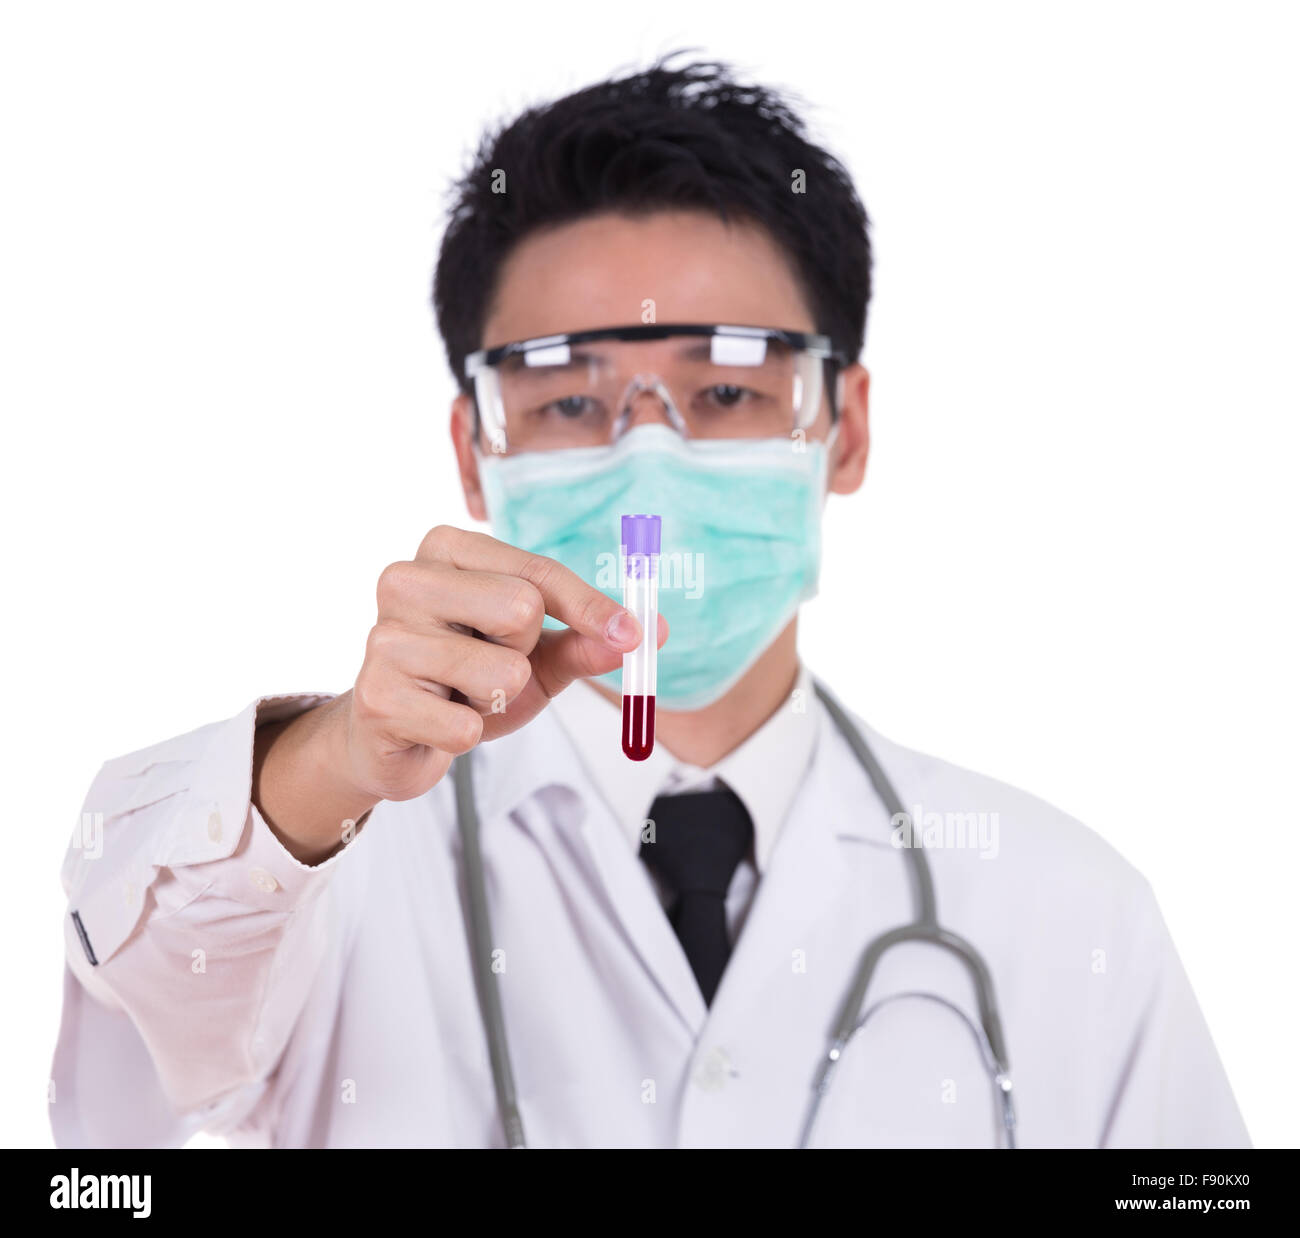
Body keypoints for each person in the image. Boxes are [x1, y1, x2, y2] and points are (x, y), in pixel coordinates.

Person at [49, 54, 1249, 1149]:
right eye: (570, 401)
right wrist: (338, 757)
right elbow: (129, 1006)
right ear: (476, 451)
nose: (650, 461)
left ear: (845, 427)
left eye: (724, 392)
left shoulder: (1067, 909)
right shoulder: (325, 861)